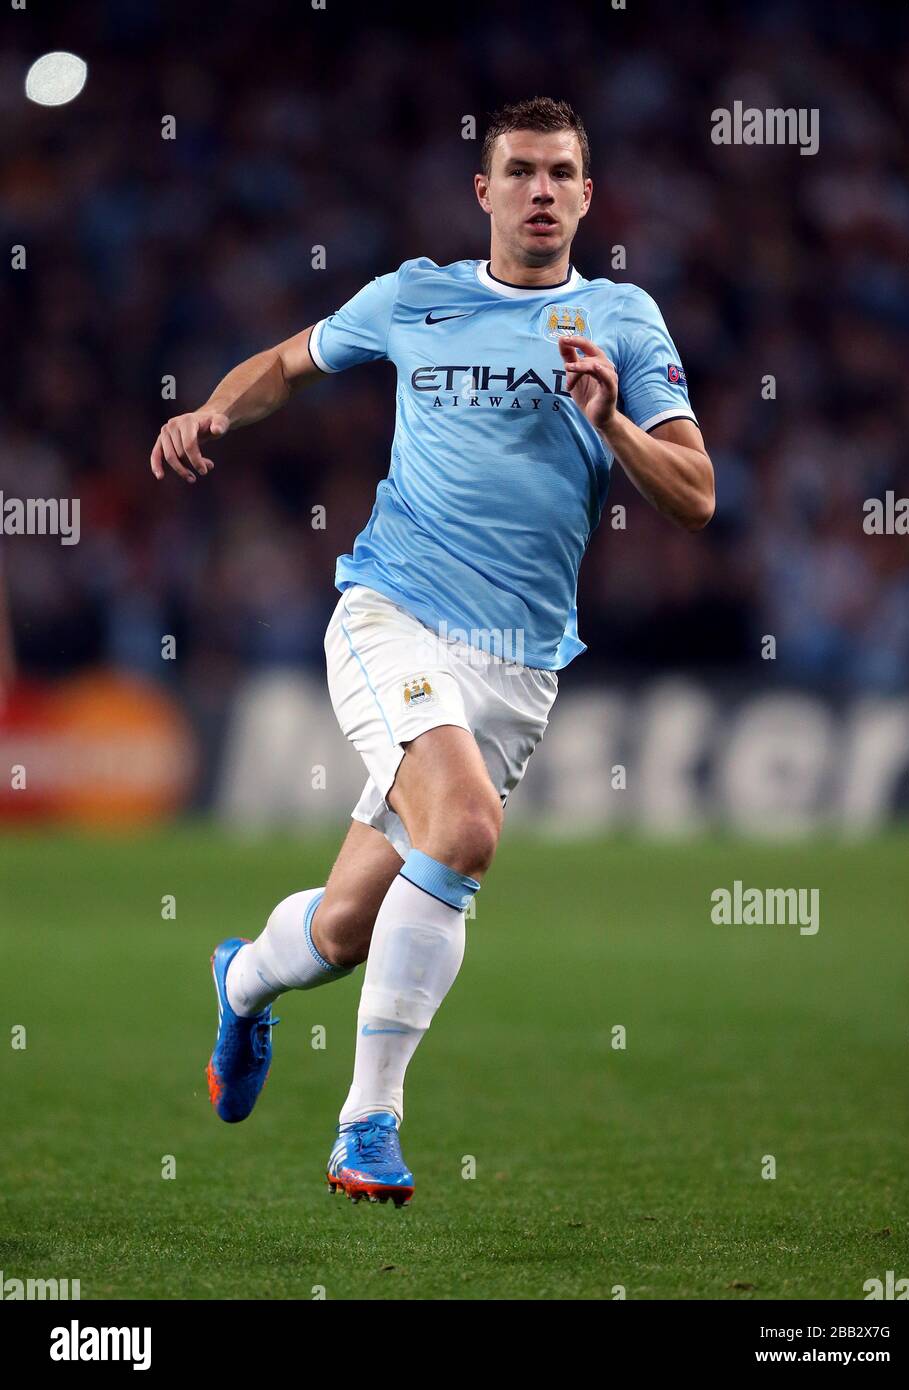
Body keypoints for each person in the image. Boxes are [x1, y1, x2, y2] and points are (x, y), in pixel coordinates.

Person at [150, 96, 715, 1207]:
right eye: (521, 171)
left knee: (344, 927)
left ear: (587, 197)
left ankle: (246, 979)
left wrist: (610, 423)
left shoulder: (624, 319)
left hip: (518, 663)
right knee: (464, 826)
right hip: (390, 612)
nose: (541, 190)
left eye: (561, 173)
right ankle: (367, 1125)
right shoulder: (416, 296)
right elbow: (289, 360)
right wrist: (215, 411)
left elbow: (695, 496)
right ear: (485, 191)